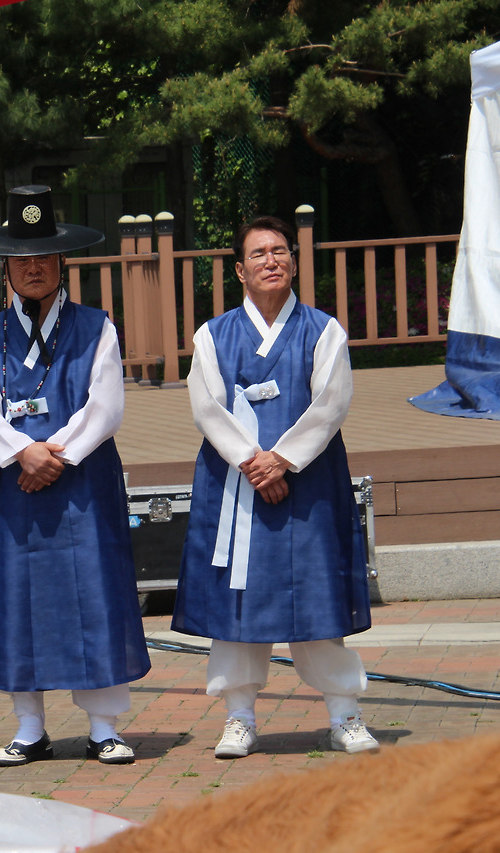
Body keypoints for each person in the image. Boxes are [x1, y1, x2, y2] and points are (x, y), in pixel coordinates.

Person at [173, 215, 378, 759]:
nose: (272, 260)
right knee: (238, 604)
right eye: (259, 253)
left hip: (308, 484)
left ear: (293, 261)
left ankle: (345, 714)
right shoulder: (212, 335)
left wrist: (283, 459)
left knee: (315, 596)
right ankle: (239, 717)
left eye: (280, 251)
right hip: (238, 487)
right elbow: (206, 409)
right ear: (240, 269)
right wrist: (252, 462)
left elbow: (331, 404)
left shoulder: (322, 329)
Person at [0, 185, 151, 767]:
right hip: (15, 486)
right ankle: (28, 727)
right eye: (22, 258)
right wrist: (23, 453)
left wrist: (56, 454)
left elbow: (107, 406)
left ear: (62, 260)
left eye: (44, 256)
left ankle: (103, 727)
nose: (34, 267)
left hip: (82, 484)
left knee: (92, 592)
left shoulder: (97, 327)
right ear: (6, 267)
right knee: (19, 600)